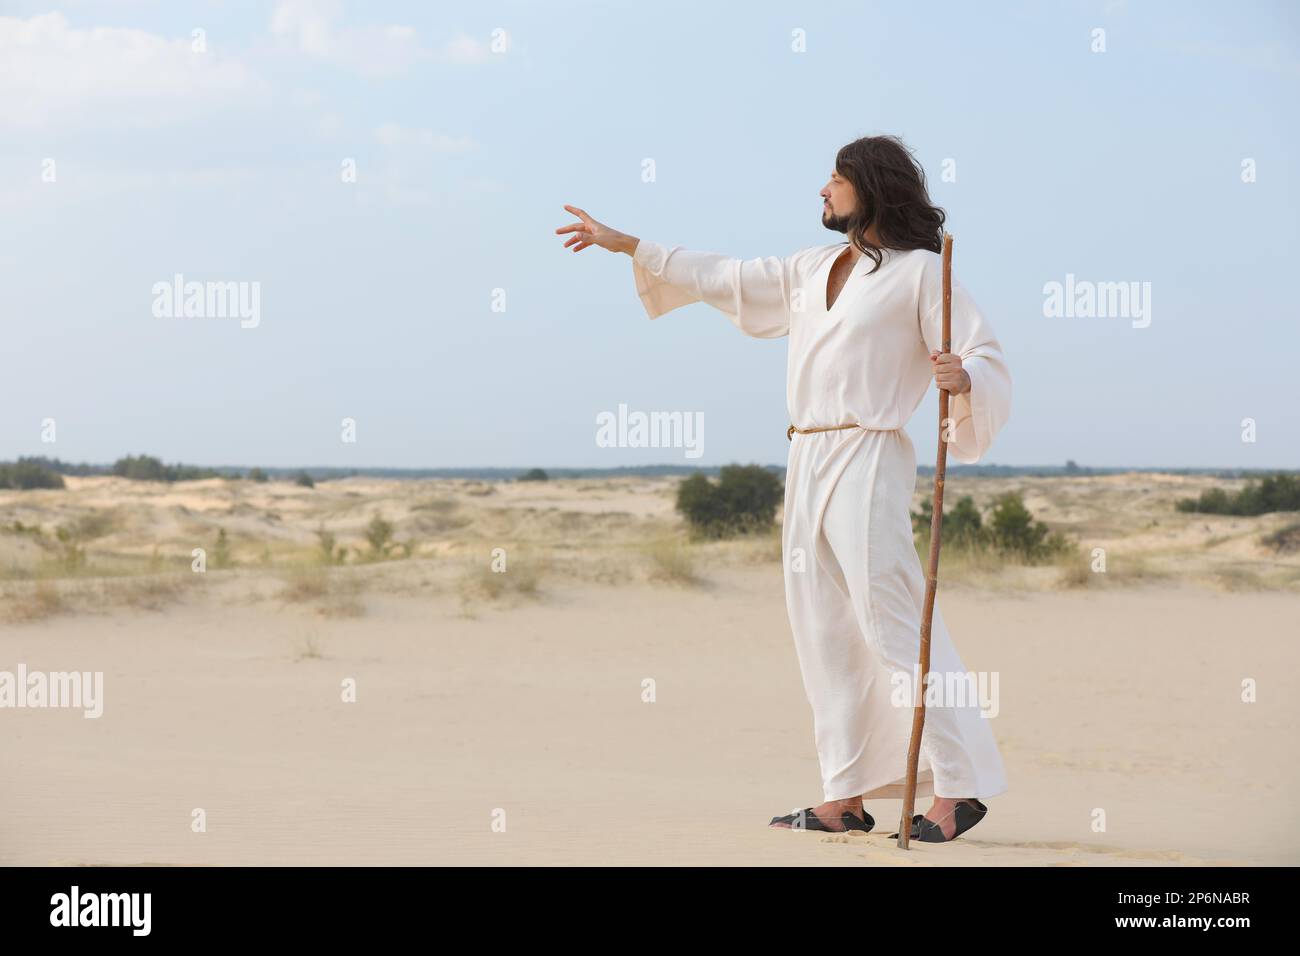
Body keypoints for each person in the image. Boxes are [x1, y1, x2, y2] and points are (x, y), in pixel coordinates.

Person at [555, 135, 1010, 842]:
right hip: (806, 453)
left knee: (892, 619)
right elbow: (726, 276)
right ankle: (845, 795)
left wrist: (966, 376)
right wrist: (631, 246)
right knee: (824, 628)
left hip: (868, 450)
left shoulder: (923, 272)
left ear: (871, 186)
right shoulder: (812, 266)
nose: (823, 189)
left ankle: (960, 785)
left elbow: (981, 352)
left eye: (835, 178)